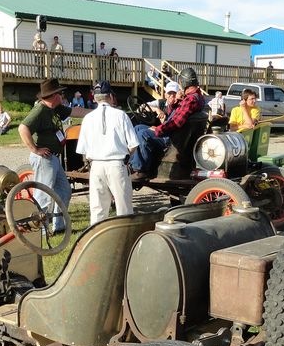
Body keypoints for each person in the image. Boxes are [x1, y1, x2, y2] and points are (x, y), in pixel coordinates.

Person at [18, 78, 88, 234]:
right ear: (54, 95)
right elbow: (23, 128)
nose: (62, 96)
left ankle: (59, 226)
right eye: (60, 93)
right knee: (43, 195)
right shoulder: (40, 111)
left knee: (64, 191)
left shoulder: (56, 108)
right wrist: (35, 149)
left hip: (54, 158)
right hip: (44, 159)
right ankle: (41, 231)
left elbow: (76, 111)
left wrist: (97, 112)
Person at [76, 81, 140, 224]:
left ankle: (96, 239)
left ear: (94, 98)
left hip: (96, 165)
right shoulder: (121, 115)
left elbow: (83, 150)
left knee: (98, 209)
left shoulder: (87, 118)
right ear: (111, 96)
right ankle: (125, 238)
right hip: (117, 164)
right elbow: (133, 144)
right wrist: (126, 157)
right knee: (124, 209)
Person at [130, 67, 205, 175]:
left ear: (184, 82)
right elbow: (172, 114)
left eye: (180, 83)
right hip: (176, 134)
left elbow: (176, 122)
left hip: (172, 138)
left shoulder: (191, 99)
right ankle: (137, 163)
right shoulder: (195, 97)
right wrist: (176, 101)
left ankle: (140, 169)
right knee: (138, 128)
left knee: (143, 134)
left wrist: (158, 129)